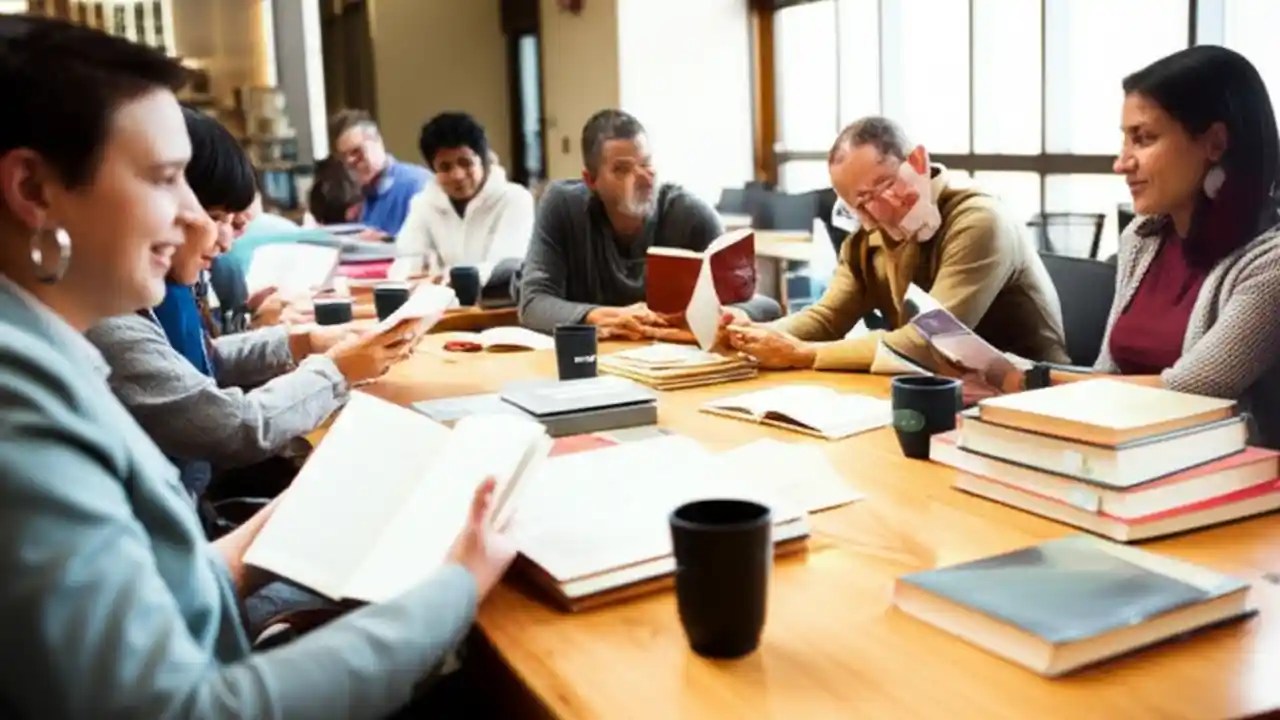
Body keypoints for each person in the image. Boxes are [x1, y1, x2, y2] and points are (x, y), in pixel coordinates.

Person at [0, 19, 514, 717]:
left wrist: (304, 508)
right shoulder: (20, 412)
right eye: (164, 179)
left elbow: (163, 585)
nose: (197, 220)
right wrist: (456, 585)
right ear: (32, 188)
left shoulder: (51, 359)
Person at [86, 106, 418, 498]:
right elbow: (232, 428)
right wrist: (337, 370)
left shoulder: (148, 297)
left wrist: (300, 342)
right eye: (214, 217)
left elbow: (205, 359)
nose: (225, 242)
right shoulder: (107, 318)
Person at [725, 116, 1069, 370]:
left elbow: (932, 340)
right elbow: (828, 316)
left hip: (1027, 394)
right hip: (939, 385)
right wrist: (752, 335)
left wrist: (805, 353)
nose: (880, 209)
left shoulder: (979, 220)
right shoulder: (867, 236)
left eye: (886, 184)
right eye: (861, 202)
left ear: (917, 162)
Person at [1064, 46, 1280, 447]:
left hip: (1229, 481)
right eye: (1124, 140)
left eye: (1143, 139)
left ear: (1215, 143)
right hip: (1131, 456)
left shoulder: (1272, 263)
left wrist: (1029, 379)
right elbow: (1107, 376)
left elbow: (1189, 394)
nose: (1121, 162)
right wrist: (1004, 371)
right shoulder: (1142, 239)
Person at [518, 109, 780, 338]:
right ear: (591, 181)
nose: (642, 177)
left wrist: (728, 315)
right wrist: (600, 316)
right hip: (595, 360)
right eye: (622, 169)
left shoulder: (691, 216)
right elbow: (532, 303)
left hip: (671, 366)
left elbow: (765, 307)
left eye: (647, 163)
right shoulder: (563, 207)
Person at [389, 111, 534, 285]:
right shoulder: (423, 204)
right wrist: (413, 274)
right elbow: (406, 262)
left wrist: (443, 277)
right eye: (445, 167)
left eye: (465, 163)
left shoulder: (515, 199)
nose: (457, 175)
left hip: (498, 306)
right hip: (441, 306)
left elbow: (504, 269)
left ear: (483, 160)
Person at [331, 108, 432, 237]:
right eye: (344, 157)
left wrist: (387, 241)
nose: (351, 161)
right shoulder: (363, 196)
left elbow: (435, 245)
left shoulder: (418, 184)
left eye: (357, 151)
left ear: (378, 142)